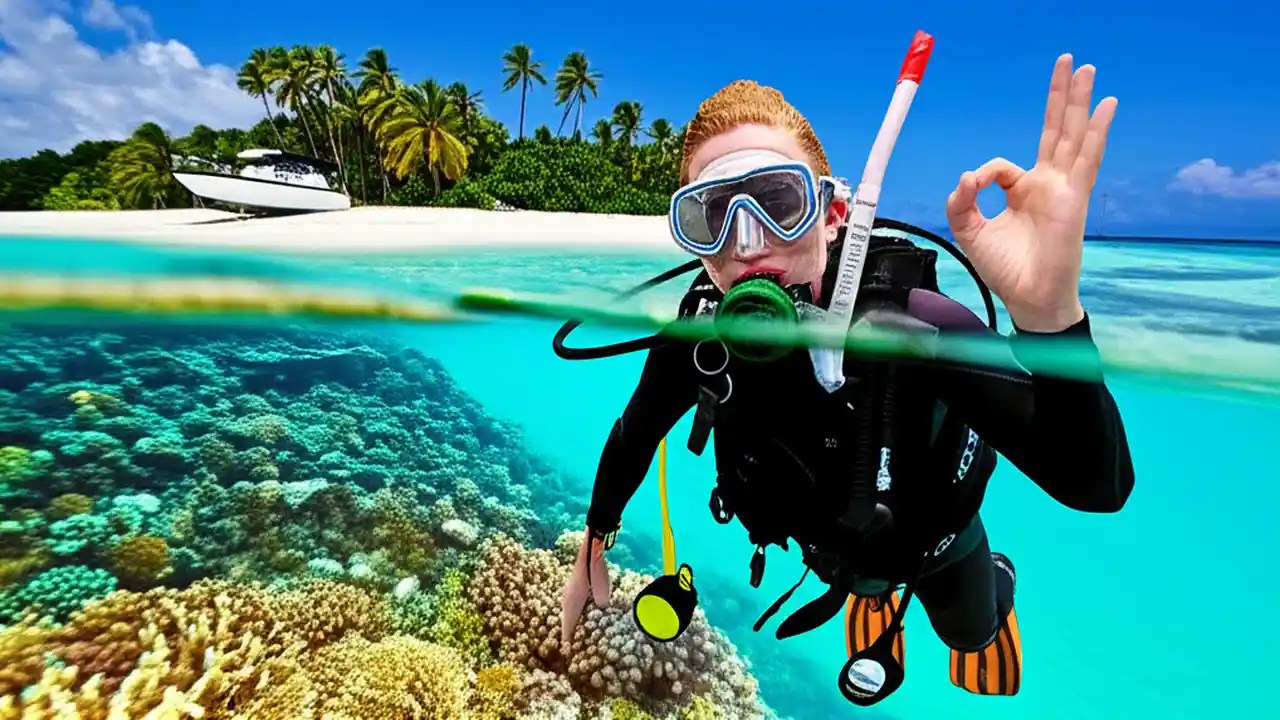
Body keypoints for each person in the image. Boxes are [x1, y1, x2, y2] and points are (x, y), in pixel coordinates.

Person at [558, 53, 1134, 704]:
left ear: (833, 215)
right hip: (830, 550)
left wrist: (1050, 316)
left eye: (779, 202)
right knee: (864, 585)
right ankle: (870, 592)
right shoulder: (698, 343)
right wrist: (594, 542)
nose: (747, 242)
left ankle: (994, 578)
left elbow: (1097, 485)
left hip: (936, 545)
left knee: (971, 635)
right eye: (712, 215)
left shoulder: (915, 328)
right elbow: (634, 434)